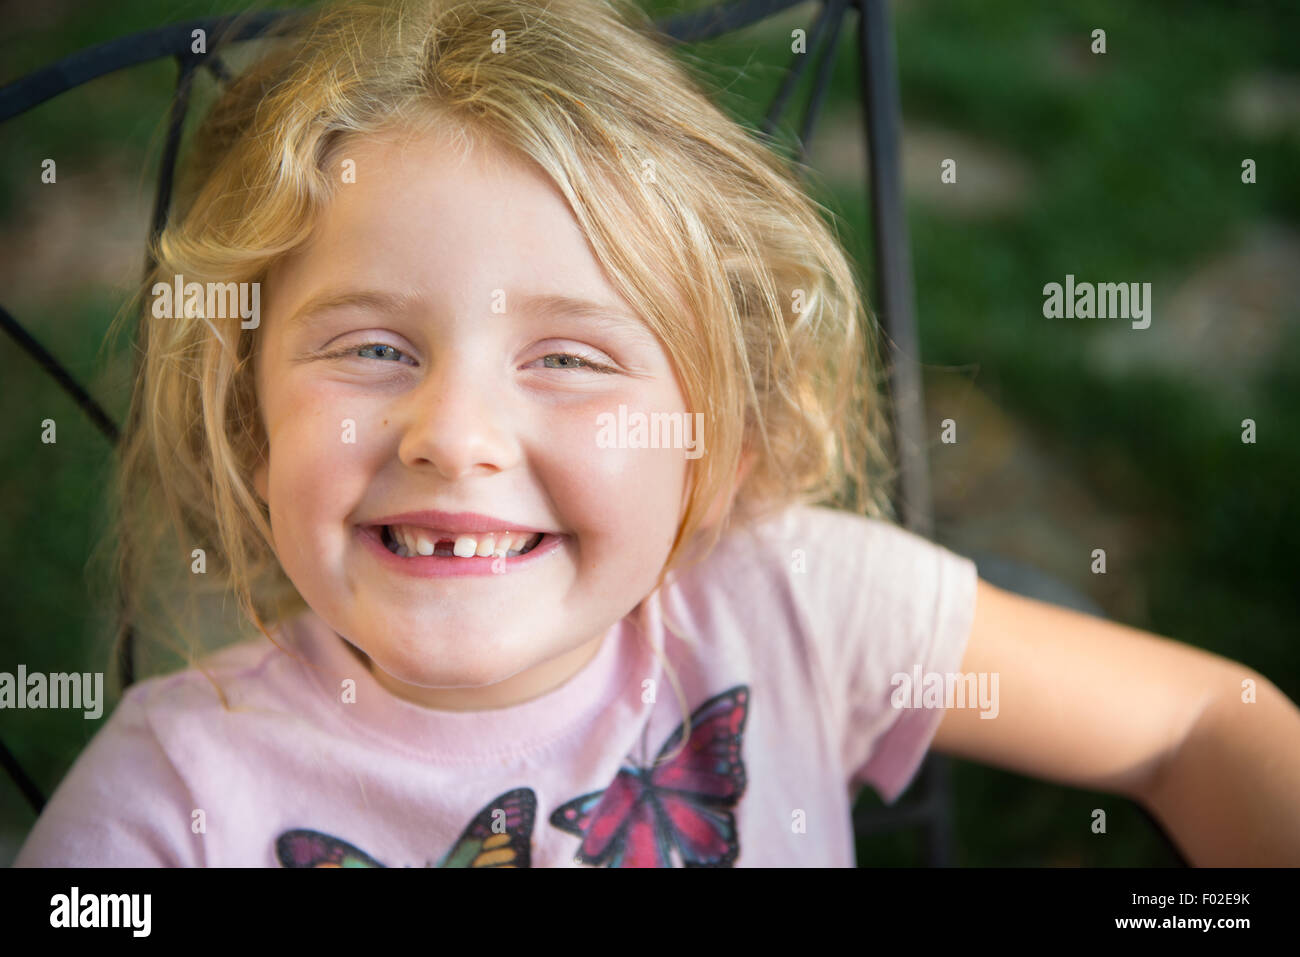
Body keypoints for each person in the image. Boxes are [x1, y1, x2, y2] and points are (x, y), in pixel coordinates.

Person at [15, 0, 1300, 867]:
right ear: (250, 418)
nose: (453, 434)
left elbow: (1207, 725)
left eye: (569, 359)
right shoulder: (170, 811)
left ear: (716, 438)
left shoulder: (792, 607)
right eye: (372, 349)